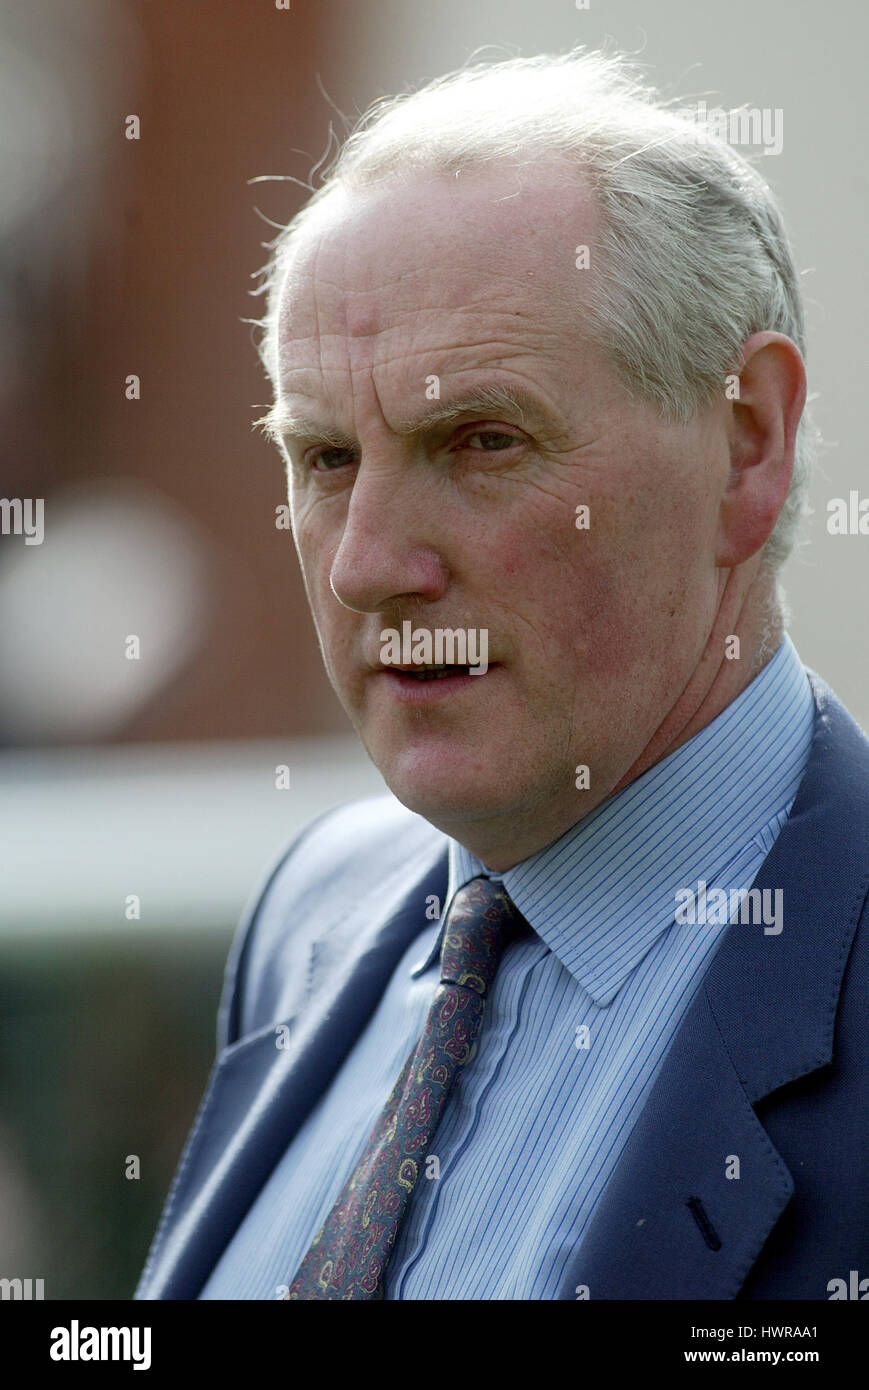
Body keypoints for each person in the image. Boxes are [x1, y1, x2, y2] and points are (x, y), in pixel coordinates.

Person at [135, 47, 869, 1301]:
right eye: (322, 459)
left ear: (744, 442)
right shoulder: (316, 911)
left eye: (478, 439)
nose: (367, 564)